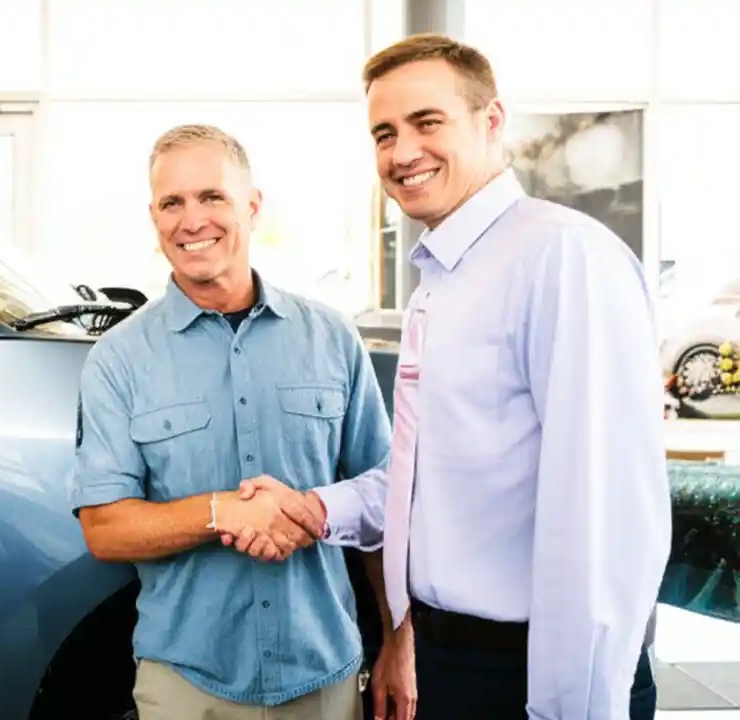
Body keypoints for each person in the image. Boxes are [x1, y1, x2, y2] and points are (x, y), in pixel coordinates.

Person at [361, 33, 672, 719]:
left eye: (427, 122)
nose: (401, 151)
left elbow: (601, 514)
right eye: (384, 133)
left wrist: (570, 708)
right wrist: (319, 510)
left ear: (491, 121)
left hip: (531, 677)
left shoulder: (561, 256)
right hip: (452, 664)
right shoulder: (443, 277)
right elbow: (439, 479)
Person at [70, 123, 408, 719]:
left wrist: (399, 646)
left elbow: (389, 501)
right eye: (172, 203)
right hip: (188, 688)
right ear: (154, 219)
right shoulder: (119, 360)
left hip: (326, 680)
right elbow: (105, 528)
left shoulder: (331, 338)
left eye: (212, 197)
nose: (191, 220)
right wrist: (223, 511)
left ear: (252, 207)